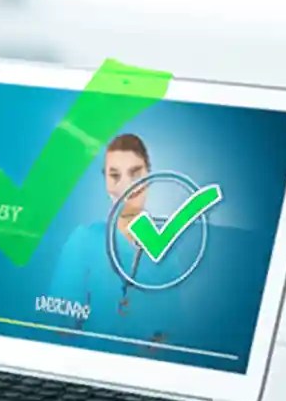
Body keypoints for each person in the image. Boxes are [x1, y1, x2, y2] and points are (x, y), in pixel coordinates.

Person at [46, 134, 184, 343]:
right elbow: (60, 328)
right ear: (105, 181)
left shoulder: (168, 254)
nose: (126, 185)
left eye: (135, 174)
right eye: (114, 175)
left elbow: (171, 335)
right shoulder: (83, 241)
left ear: (150, 176)